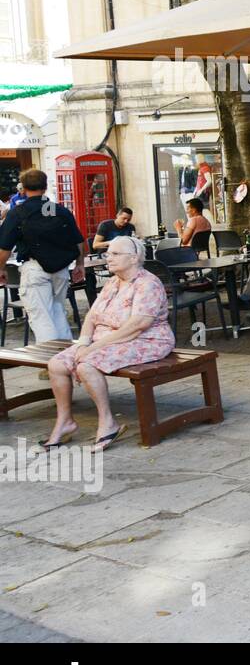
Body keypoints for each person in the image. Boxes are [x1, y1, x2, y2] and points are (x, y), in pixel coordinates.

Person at [40, 236, 174, 452]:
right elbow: (92, 317)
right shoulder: (113, 282)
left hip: (146, 339)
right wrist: (83, 343)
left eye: (114, 254)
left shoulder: (147, 283)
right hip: (104, 340)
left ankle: (107, 422)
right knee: (56, 364)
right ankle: (65, 421)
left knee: (86, 364)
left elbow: (137, 326)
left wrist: (91, 349)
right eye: (108, 253)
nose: (108, 258)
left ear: (133, 258)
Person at [0, 168, 87, 343]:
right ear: (45, 187)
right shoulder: (59, 210)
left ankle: (52, 363)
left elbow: (4, 248)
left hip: (34, 269)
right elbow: (79, 241)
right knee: (57, 310)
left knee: (41, 316)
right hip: (61, 269)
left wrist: (1, 268)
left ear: (23, 188)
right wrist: (80, 264)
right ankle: (66, 358)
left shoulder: (17, 213)